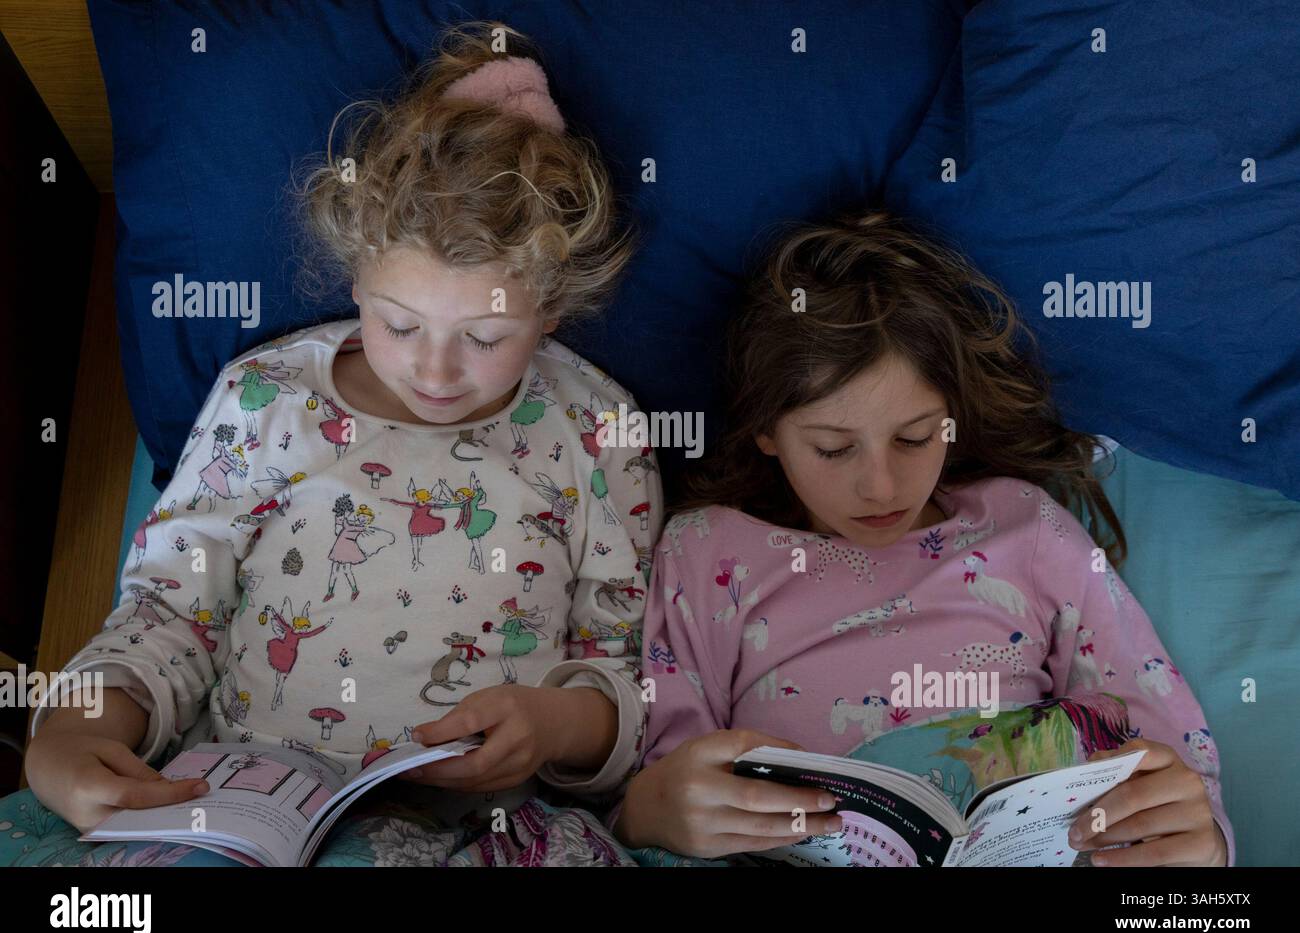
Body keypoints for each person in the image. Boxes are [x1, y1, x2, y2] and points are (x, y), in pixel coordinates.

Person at [20, 21, 661, 868]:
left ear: (551, 310)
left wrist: (555, 727)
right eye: (399, 323)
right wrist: (73, 733)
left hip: (490, 830)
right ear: (356, 277)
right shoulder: (265, 399)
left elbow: (623, 667)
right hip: (241, 802)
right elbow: (170, 614)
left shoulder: (595, 429)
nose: (434, 369)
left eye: (485, 336)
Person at [612, 210, 1233, 867]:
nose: (880, 485)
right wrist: (651, 813)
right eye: (832, 448)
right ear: (767, 431)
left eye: (914, 436)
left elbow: (1153, 722)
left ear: (953, 416)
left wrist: (1202, 839)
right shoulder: (708, 552)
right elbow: (662, 778)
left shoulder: (1026, 528)